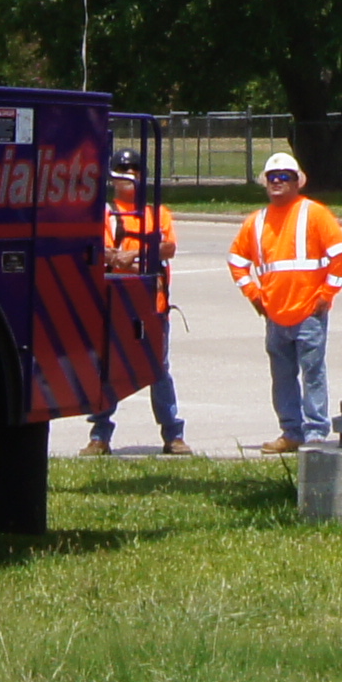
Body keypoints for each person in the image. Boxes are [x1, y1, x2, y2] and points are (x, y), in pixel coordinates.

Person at [225, 149, 342, 452]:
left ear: (297, 182)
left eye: (284, 177)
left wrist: (326, 294)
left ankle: (315, 432)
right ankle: (291, 432)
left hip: (309, 313)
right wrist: (253, 294)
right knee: (282, 378)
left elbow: (341, 256)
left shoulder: (314, 214)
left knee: (313, 374)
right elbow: (236, 260)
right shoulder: (257, 221)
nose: (277, 182)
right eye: (272, 177)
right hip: (275, 314)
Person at [84, 147, 189, 457]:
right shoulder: (105, 213)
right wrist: (124, 258)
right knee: (107, 368)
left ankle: (173, 435)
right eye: (121, 172)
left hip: (153, 305)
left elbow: (168, 248)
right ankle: (99, 436)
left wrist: (132, 255)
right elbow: (102, 251)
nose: (128, 177)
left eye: (134, 172)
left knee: (159, 369)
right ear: (112, 178)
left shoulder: (158, 213)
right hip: (115, 304)